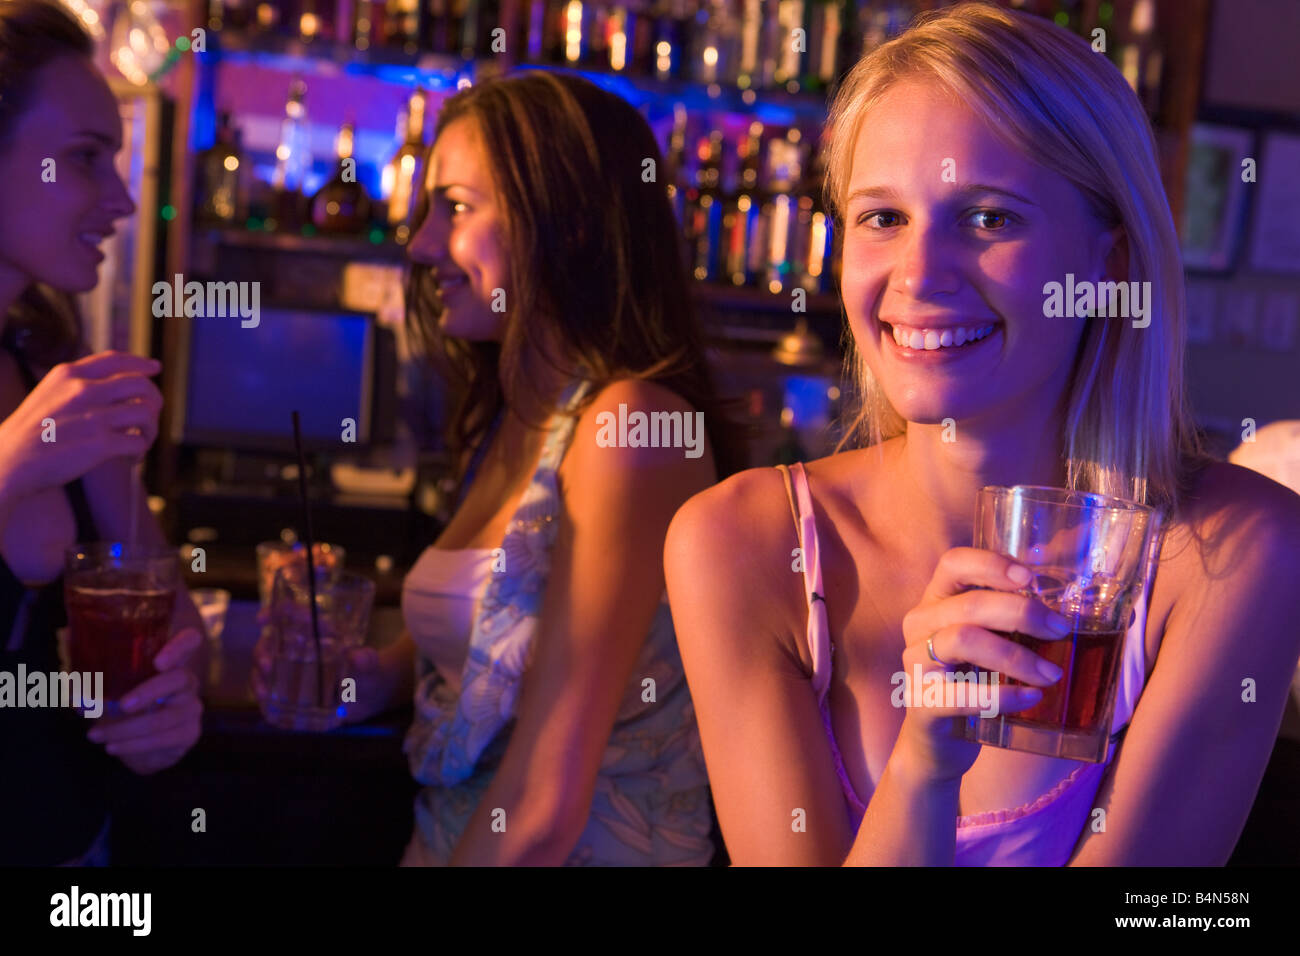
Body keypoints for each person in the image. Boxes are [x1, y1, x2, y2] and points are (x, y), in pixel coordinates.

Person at [664, 2, 1300, 866]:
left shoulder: (1232, 551)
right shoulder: (740, 544)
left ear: (1107, 263)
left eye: (990, 218)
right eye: (882, 218)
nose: (919, 276)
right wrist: (927, 763)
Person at [253, 70, 745, 865]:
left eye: (454, 207)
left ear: (571, 223)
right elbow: (511, 629)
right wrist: (372, 678)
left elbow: (545, 803)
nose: (417, 246)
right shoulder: (520, 417)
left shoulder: (633, 427)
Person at [0, 0, 205, 866]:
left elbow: (168, 606)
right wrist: (16, 460)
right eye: (87, 159)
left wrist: (172, 695)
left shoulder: (52, 359)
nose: (123, 199)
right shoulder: (49, 413)